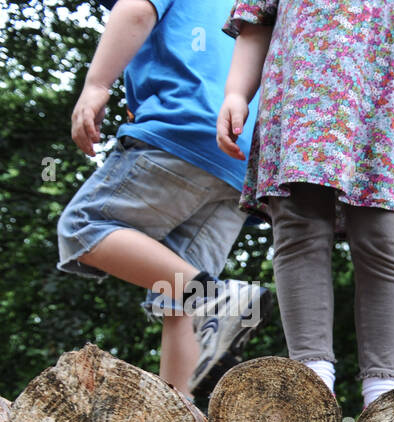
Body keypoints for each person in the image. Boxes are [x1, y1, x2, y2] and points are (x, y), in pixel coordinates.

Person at [217, 0, 394, 408]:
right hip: (298, 106)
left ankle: (383, 392)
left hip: (379, 109)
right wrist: (235, 92)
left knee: (384, 240)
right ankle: (312, 379)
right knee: (298, 232)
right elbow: (255, 22)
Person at [57, 0, 268, 400]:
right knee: (177, 298)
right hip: (241, 163)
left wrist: (96, 86)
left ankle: (219, 298)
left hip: (182, 131)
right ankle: (181, 416)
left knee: (84, 226)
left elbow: (136, 10)